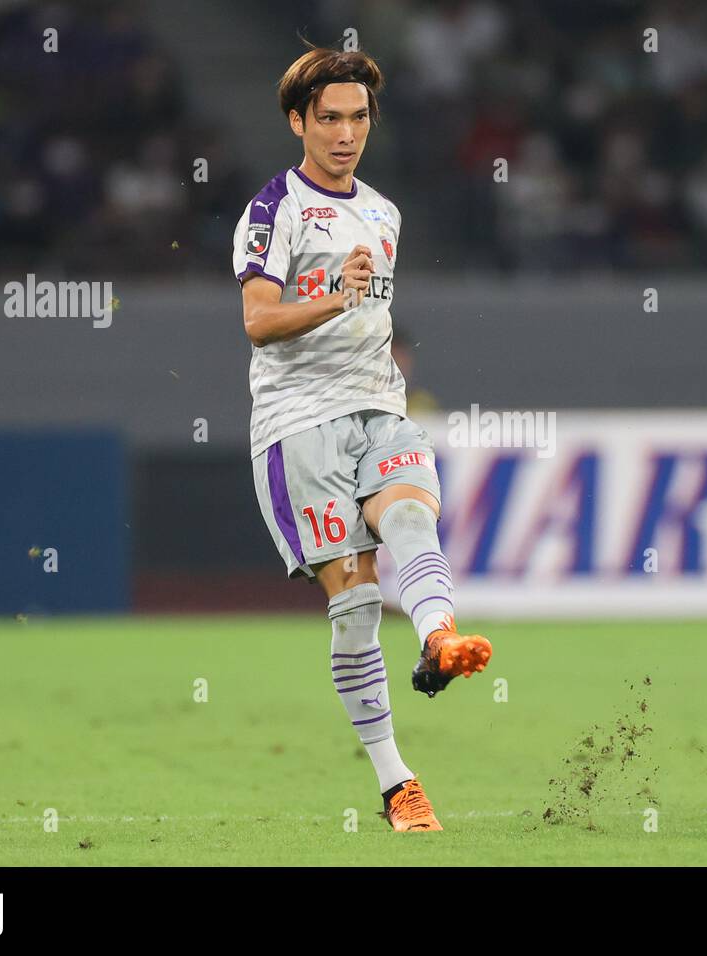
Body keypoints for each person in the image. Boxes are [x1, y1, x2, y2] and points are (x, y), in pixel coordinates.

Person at [231, 42, 492, 832]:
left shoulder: (384, 214)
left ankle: (440, 639)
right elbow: (258, 323)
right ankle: (396, 784)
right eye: (331, 118)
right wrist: (333, 301)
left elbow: (370, 321)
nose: (346, 134)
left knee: (410, 516)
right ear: (298, 122)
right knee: (355, 605)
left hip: (379, 409)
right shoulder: (272, 211)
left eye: (359, 118)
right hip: (296, 425)